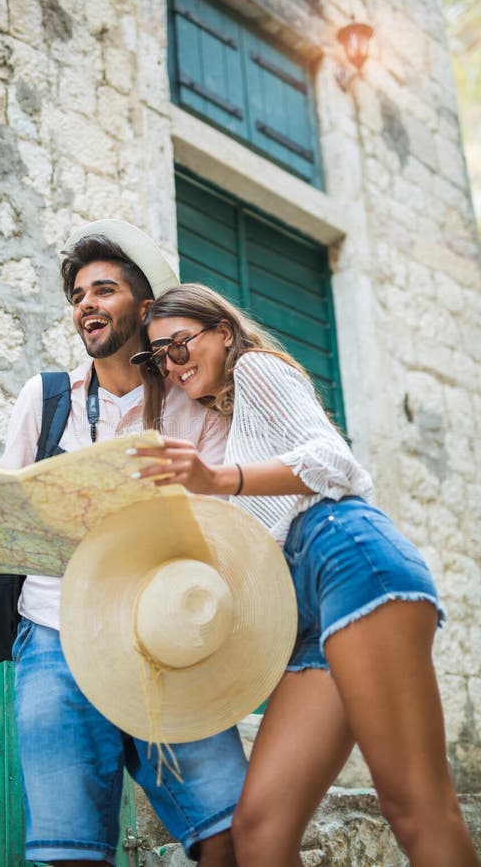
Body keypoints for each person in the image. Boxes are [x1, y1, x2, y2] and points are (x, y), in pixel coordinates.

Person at [0, 224, 247, 867]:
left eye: (104, 289)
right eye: (76, 295)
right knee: (67, 852)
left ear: (147, 306)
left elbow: (226, 531)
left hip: (168, 639)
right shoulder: (45, 399)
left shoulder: (198, 407)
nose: (85, 305)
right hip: (52, 636)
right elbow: (1, 516)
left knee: (231, 836)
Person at [129, 282, 480, 867]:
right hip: (304, 618)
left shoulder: (257, 368)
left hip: (346, 556)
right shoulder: (224, 424)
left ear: (222, 331)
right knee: (261, 831)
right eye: (159, 357)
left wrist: (220, 481)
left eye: (181, 345)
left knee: (414, 803)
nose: (173, 365)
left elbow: (333, 460)